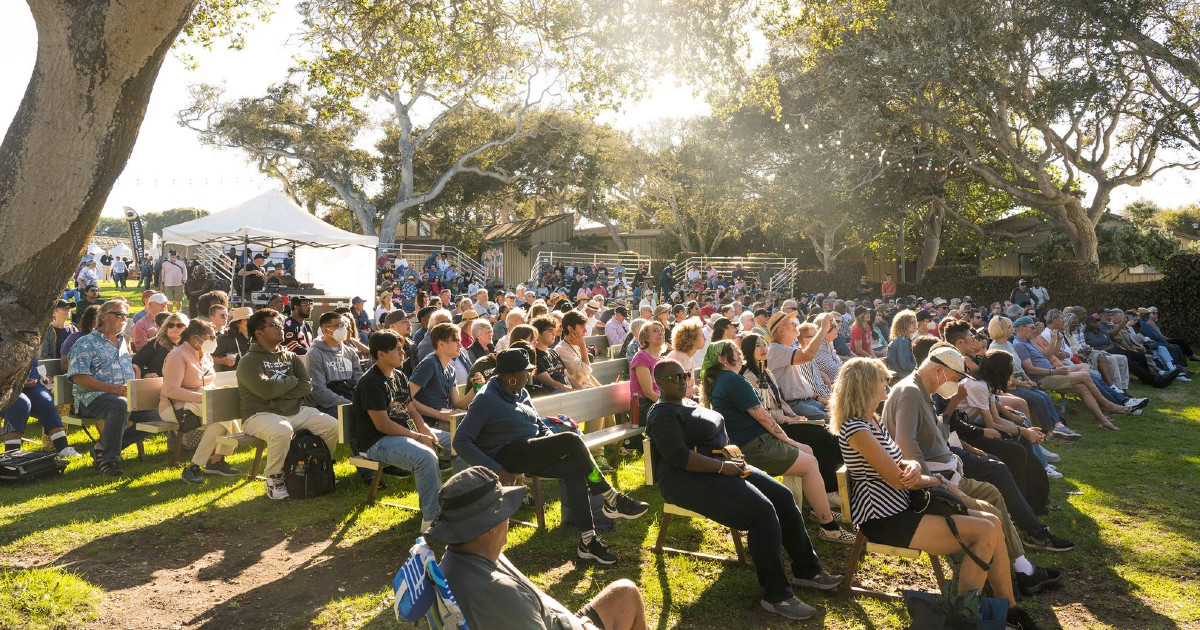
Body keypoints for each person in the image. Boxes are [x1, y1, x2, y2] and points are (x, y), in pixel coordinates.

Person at [834, 358, 1045, 630]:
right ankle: (965, 617)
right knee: (984, 532)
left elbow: (900, 462)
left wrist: (911, 465)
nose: (886, 384)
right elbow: (898, 480)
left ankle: (1005, 609)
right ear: (865, 386)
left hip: (905, 506)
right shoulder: (857, 429)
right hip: (886, 518)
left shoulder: (870, 421)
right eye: (881, 380)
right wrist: (936, 480)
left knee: (992, 523)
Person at [646, 359, 843, 620]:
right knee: (762, 512)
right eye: (674, 378)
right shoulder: (662, 413)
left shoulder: (688, 404)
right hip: (687, 481)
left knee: (783, 497)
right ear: (658, 383)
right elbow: (679, 458)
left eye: (684, 376)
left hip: (722, 466)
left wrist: (731, 461)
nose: (682, 381)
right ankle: (777, 596)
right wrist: (720, 467)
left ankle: (807, 570)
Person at [884, 346, 1071, 580]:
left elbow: (932, 437)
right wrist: (935, 484)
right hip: (934, 481)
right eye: (955, 378)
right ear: (939, 371)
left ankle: (1022, 566)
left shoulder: (920, 390)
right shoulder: (911, 392)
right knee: (991, 501)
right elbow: (906, 445)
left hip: (944, 470)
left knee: (993, 488)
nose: (956, 384)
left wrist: (964, 451)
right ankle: (1022, 568)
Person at [453, 349, 649, 564]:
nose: (529, 376)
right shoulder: (485, 399)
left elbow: (539, 425)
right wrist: (496, 468)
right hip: (508, 456)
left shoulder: (521, 392)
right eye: (525, 372)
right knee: (571, 440)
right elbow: (460, 441)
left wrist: (551, 443)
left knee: (574, 466)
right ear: (510, 376)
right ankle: (611, 498)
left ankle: (588, 540)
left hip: (531, 451)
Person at [427, 466, 648, 630]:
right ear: (492, 526)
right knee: (628, 595)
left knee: (625, 593)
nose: (509, 519)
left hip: (560, 621)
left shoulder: (461, 556)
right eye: (504, 512)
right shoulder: (497, 592)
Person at [702, 339, 851, 544]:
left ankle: (818, 510)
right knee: (809, 461)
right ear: (721, 360)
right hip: (754, 446)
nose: (739, 352)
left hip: (748, 443)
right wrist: (791, 441)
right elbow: (763, 417)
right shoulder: (733, 380)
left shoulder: (724, 379)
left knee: (809, 450)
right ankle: (829, 528)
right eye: (734, 351)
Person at [350, 329, 450, 530]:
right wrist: (418, 437)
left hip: (403, 433)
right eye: (398, 350)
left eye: (403, 349)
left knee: (460, 441)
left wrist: (425, 430)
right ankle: (432, 519)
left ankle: (461, 503)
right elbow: (383, 425)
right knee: (426, 456)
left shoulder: (400, 376)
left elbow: (411, 409)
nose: (403, 353)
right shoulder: (371, 382)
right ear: (381, 354)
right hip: (376, 441)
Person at [237, 308, 340, 500]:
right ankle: (274, 478)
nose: (280, 328)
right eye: (274, 325)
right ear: (259, 332)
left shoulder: (290, 356)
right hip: (259, 415)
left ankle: (320, 466)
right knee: (282, 430)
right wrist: (291, 382)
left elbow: (307, 386)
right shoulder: (249, 361)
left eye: (281, 324)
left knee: (332, 426)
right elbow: (265, 390)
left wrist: (278, 390)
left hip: (295, 411)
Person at [741, 333, 845, 507]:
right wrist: (789, 420)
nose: (763, 349)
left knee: (828, 433)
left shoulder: (766, 371)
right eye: (757, 346)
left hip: (785, 420)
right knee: (817, 437)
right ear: (748, 351)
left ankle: (841, 483)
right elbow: (764, 413)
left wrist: (793, 416)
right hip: (772, 428)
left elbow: (780, 402)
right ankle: (827, 490)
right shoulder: (748, 377)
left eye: (764, 345)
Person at [66, 299, 155, 476]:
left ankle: (102, 448)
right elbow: (79, 377)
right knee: (120, 404)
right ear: (103, 317)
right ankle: (109, 460)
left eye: (126, 316)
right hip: (91, 399)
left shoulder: (123, 341)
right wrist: (113, 390)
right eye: (119, 314)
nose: (124, 319)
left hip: (125, 396)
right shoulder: (85, 343)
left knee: (157, 413)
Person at [1011, 316, 1131, 430]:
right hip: (1043, 378)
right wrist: (1053, 371)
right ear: (1021, 328)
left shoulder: (1029, 341)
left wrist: (1054, 343)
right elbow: (1030, 369)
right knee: (1084, 376)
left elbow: (1047, 356)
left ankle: (1103, 420)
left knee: (1082, 386)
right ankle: (1107, 404)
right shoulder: (1020, 345)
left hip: (1053, 372)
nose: (1035, 330)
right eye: (1032, 327)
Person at [166, 320, 240, 484]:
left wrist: (213, 395)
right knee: (225, 415)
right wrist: (205, 398)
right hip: (176, 406)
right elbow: (170, 390)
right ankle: (211, 463)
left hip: (202, 401)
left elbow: (207, 382)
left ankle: (208, 463)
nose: (214, 341)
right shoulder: (177, 355)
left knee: (222, 419)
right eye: (210, 337)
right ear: (195, 338)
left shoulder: (205, 355)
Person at [3, 357, 81, 457]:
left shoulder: (26, 342)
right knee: (20, 403)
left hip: (31, 385)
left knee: (45, 401)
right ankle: (11, 452)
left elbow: (33, 363)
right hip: (5, 386)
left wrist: (36, 378)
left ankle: (63, 448)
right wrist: (18, 381)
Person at [410, 323, 478, 425]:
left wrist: (476, 387)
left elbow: (458, 404)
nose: (460, 345)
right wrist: (440, 415)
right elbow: (407, 399)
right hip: (431, 423)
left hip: (447, 420)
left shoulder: (450, 369)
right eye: (456, 341)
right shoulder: (429, 364)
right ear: (441, 343)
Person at [306, 311, 365, 417]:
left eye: (344, 325)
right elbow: (319, 391)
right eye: (338, 326)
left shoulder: (350, 352)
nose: (343, 329)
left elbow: (359, 381)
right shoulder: (314, 354)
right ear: (325, 330)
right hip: (325, 406)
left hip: (350, 400)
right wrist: (348, 404)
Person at [629, 320, 668, 420]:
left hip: (658, 403)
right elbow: (648, 392)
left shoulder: (661, 358)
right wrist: (669, 404)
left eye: (662, 331)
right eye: (655, 331)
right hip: (644, 406)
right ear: (646, 337)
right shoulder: (641, 357)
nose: (660, 333)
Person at [133, 312, 188, 378]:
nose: (174, 328)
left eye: (179, 325)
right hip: (158, 384)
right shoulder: (156, 344)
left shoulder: (189, 346)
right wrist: (145, 374)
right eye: (170, 325)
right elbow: (136, 361)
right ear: (166, 328)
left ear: (186, 328)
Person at [555, 311, 600, 391]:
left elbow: (588, 375)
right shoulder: (561, 350)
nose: (585, 331)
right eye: (582, 327)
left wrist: (601, 387)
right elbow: (585, 371)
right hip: (581, 394)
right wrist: (582, 346)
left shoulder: (575, 346)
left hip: (590, 389)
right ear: (570, 328)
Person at [667, 317, 703, 399]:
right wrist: (695, 389)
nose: (705, 339)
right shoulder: (676, 358)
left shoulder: (688, 357)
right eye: (702, 336)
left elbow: (691, 386)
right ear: (691, 339)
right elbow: (678, 391)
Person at [885, 309, 917, 380]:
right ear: (903, 324)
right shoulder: (902, 341)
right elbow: (905, 365)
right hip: (901, 376)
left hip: (903, 374)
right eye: (912, 322)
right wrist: (919, 367)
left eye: (915, 322)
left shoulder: (904, 339)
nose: (915, 324)